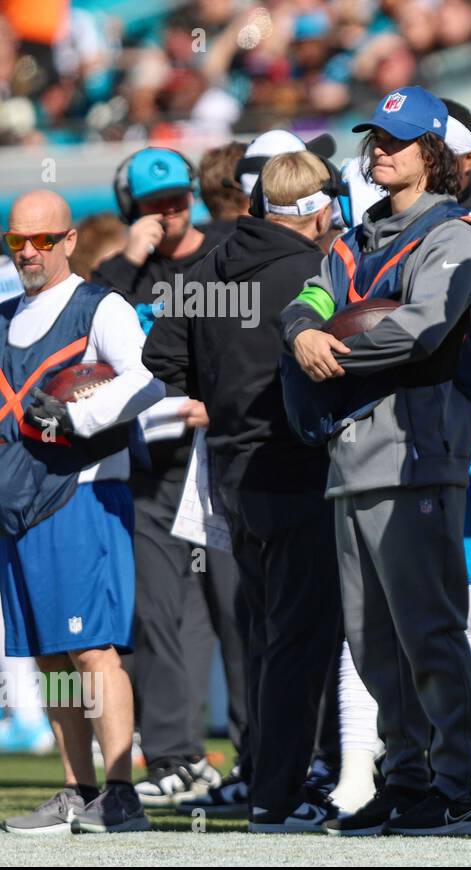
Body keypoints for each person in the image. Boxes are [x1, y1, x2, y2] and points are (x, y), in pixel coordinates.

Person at [279, 85, 471, 837]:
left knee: (428, 628)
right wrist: (304, 331)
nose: (379, 151)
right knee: (370, 639)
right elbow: (304, 297)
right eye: (375, 139)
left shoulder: (454, 236)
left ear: (432, 152)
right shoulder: (350, 240)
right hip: (350, 455)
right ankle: (404, 776)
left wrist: (330, 350)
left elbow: (425, 329)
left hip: (415, 453)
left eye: (395, 141)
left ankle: (454, 786)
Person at [142, 150, 346, 832]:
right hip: (298, 467)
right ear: (317, 210)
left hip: (231, 472)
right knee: (298, 640)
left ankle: (268, 780)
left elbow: (160, 356)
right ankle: (278, 796)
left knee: (266, 638)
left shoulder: (208, 268)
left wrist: (224, 397)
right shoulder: (314, 267)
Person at [0, 189, 164, 834]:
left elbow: (143, 380)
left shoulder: (102, 306)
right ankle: (77, 787)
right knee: (49, 655)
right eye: (18, 242)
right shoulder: (5, 313)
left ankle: (121, 791)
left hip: (82, 492)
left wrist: (73, 415)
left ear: (69, 241)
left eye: (44, 240)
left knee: (93, 650)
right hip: (17, 503)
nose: (30, 252)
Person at [91, 146, 241, 810]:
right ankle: (176, 756)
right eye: (154, 203)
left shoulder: (227, 253)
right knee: (157, 614)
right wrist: (128, 256)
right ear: (132, 208)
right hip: (150, 463)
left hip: (216, 453)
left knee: (235, 612)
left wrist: (227, 403)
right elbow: (86, 338)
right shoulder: (119, 273)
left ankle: (258, 754)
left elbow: (250, 341)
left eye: (177, 198)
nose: (169, 211)